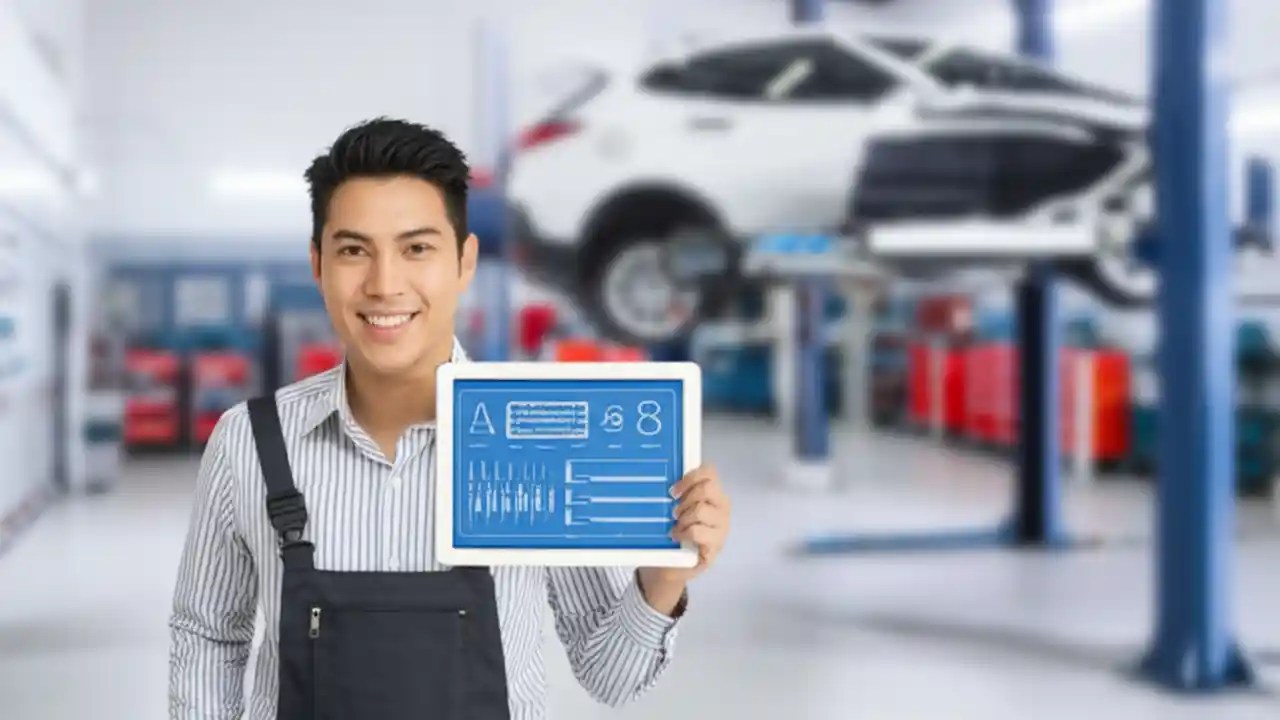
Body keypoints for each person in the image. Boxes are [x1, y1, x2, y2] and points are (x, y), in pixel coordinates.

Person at [167, 117, 732, 720]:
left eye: (417, 248)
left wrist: (666, 575)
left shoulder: (536, 438)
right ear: (318, 264)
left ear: (464, 262)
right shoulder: (250, 445)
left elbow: (608, 677)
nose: (385, 285)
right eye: (355, 250)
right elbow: (208, 638)